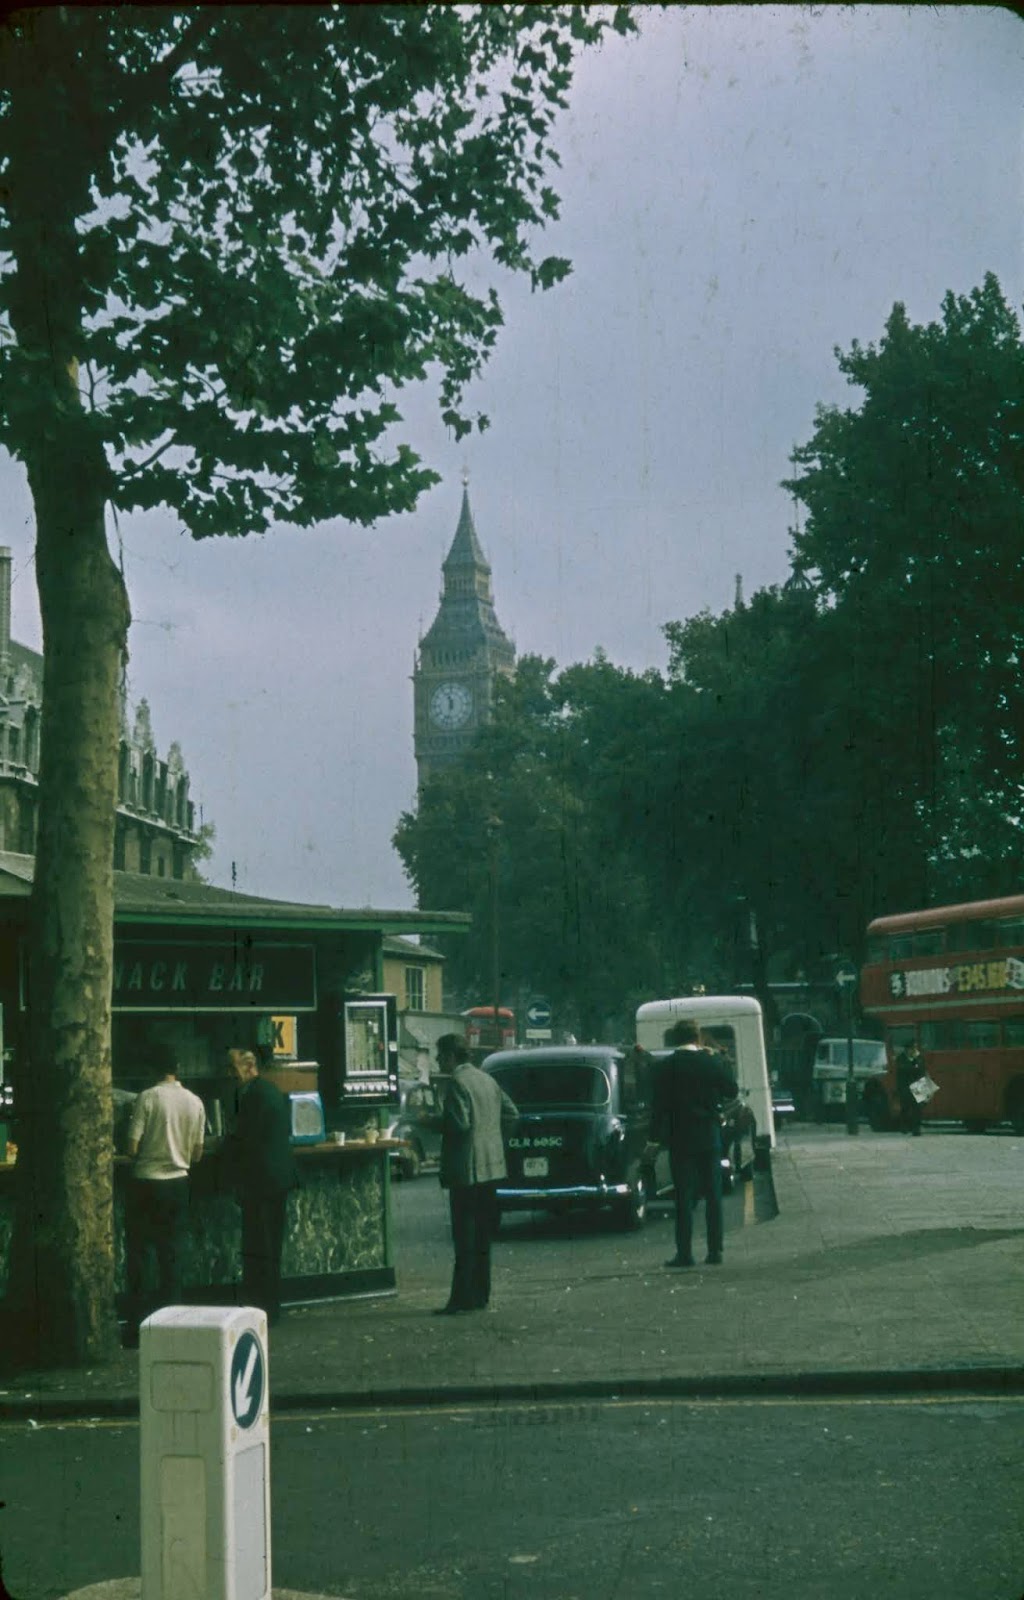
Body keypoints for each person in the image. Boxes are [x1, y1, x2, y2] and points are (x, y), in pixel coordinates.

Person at [124, 1039, 206, 1345]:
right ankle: (173, 1327)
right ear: (178, 1069)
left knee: (141, 1256)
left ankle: (138, 1329)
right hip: (178, 1184)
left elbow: (132, 1147)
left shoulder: (146, 1098)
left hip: (145, 1183)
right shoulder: (195, 1101)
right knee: (171, 1254)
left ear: (152, 1070)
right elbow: (197, 1153)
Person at [436, 1033, 518, 1315]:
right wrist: (494, 1141)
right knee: (483, 1235)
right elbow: (512, 1113)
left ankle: (460, 1299)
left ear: (449, 1056)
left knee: (464, 1236)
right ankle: (481, 1294)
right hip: (492, 1167)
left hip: (466, 1170)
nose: (437, 1061)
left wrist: (429, 1120)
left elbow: (458, 1125)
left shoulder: (457, 1083)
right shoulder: (487, 1079)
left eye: (439, 1055)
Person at [651, 1018, 739, 1268]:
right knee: (713, 1194)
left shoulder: (665, 1067)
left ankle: (685, 1253)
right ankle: (714, 1251)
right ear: (697, 1037)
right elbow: (731, 1090)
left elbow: (659, 1107)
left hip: (680, 1136)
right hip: (709, 1135)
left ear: (674, 1039)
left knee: (684, 1197)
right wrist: (724, 1061)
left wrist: (653, 1139)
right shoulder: (710, 1062)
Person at [227, 1045, 299, 1324]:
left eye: (232, 1068)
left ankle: (264, 1307)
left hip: (261, 1181)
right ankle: (269, 1305)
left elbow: (247, 1141)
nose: (230, 1074)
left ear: (248, 1066)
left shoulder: (252, 1096)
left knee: (260, 1244)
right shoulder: (270, 1091)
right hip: (277, 1178)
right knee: (270, 1244)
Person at [895, 1040, 924, 1136]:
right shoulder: (901, 1058)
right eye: (912, 1048)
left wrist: (915, 1066)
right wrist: (914, 1067)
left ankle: (916, 1128)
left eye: (915, 1048)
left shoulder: (918, 1058)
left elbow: (921, 1069)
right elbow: (903, 1070)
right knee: (906, 1107)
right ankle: (904, 1125)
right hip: (905, 1086)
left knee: (917, 1108)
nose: (914, 1050)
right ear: (907, 1049)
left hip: (918, 1085)